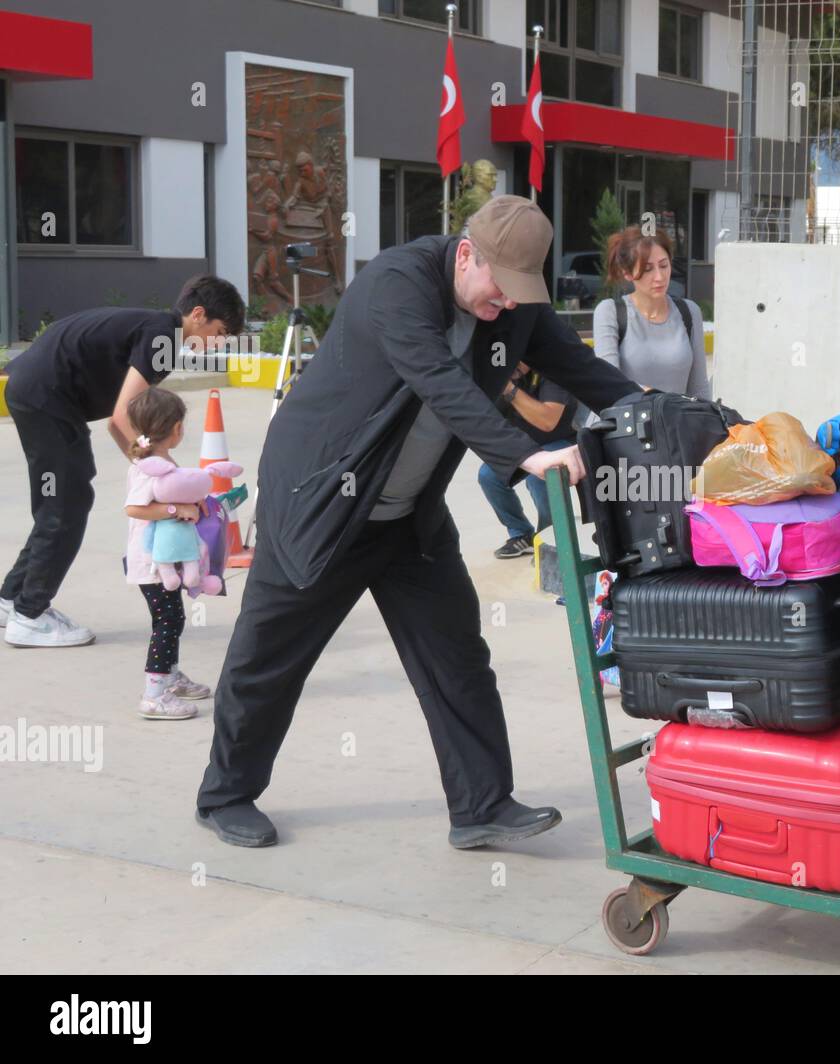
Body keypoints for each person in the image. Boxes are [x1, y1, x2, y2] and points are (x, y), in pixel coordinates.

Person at [195, 195, 640, 850]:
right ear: (466, 255)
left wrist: (677, 418)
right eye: (499, 286)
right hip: (323, 503)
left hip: (408, 519)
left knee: (456, 653)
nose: (508, 304)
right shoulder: (397, 284)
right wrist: (527, 453)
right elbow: (439, 381)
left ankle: (482, 804)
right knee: (269, 658)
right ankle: (225, 794)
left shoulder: (512, 308)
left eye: (522, 292)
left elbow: (585, 372)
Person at [1, 277, 245, 648]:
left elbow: (125, 422)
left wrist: (148, 468)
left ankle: (9, 601)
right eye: (221, 331)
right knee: (66, 506)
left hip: (37, 390)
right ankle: (30, 614)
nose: (221, 342)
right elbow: (122, 417)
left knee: (61, 503)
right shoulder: (162, 335)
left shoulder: (156, 331)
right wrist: (162, 475)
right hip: (47, 395)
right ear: (198, 315)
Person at [122, 387, 214, 720]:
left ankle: (170, 676)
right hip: (152, 562)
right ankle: (155, 693)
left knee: (171, 618)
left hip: (163, 558)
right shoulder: (149, 466)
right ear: (176, 428)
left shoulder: (158, 461)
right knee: (168, 620)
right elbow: (134, 508)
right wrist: (178, 508)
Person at [591, 226, 710, 399]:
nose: (659, 277)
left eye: (664, 265)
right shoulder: (610, 312)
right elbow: (609, 383)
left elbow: (699, 388)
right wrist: (662, 402)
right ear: (627, 273)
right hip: (624, 422)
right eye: (647, 269)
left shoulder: (689, 312)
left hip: (675, 423)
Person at [478, 361, 577, 559]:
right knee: (488, 475)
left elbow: (548, 421)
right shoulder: (500, 370)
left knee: (540, 477)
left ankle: (551, 539)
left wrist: (509, 389)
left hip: (561, 440)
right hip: (523, 444)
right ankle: (521, 534)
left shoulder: (551, 367)